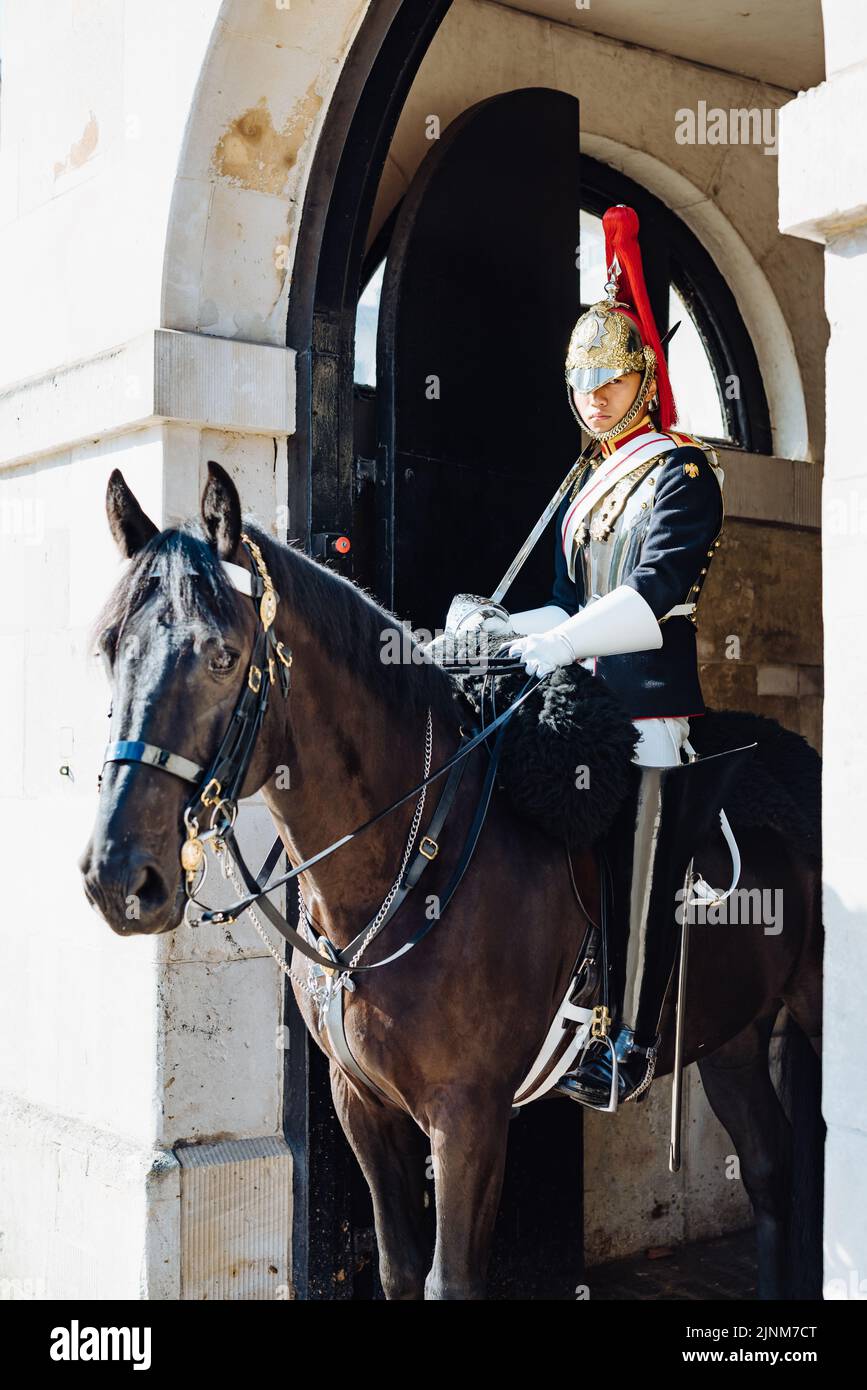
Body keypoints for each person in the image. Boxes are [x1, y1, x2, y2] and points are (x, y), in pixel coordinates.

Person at [470, 205, 726, 1108]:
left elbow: (649, 598)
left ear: (644, 377)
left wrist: (553, 643)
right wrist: (499, 632)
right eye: (581, 382)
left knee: (635, 859)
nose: (594, 397)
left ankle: (629, 1038)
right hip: (579, 703)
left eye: (610, 379)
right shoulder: (585, 486)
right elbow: (567, 602)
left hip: (649, 708)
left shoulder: (680, 473)